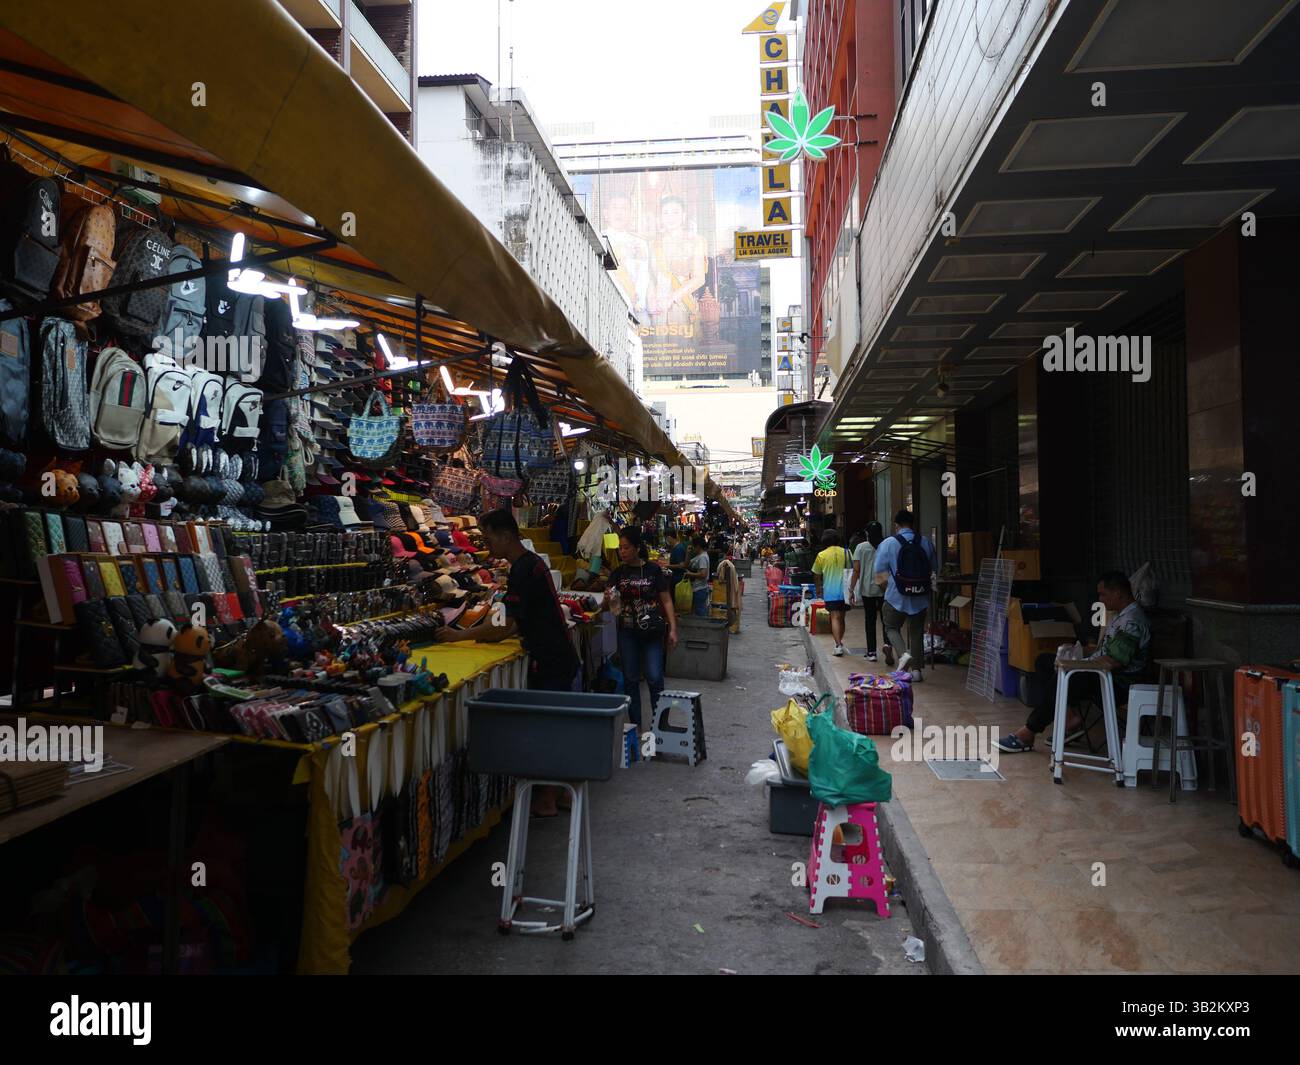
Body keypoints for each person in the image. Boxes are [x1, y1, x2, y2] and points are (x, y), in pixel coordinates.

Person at [438, 508, 581, 816]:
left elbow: (505, 625)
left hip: (550, 659)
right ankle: (563, 794)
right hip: (557, 655)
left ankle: (548, 798)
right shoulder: (530, 564)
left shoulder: (523, 570)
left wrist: (458, 636)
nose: (487, 544)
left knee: (548, 728)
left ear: (505, 536)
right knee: (556, 725)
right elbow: (514, 623)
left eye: (489, 538)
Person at [995, 571, 1152, 753]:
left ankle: (1028, 732)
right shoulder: (1119, 616)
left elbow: (1113, 661)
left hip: (1117, 683)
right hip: (1100, 673)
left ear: (1118, 593)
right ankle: (1069, 718)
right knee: (1045, 662)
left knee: (1066, 676)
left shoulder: (1132, 622)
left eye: (1103, 594)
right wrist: (1077, 652)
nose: (1100, 600)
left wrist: (1076, 666)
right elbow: (1103, 651)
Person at [606, 526, 678, 732]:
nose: (622, 552)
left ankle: (660, 726)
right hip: (627, 632)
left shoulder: (653, 570)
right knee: (630, 679)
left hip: (652, 631)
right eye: (620, 548)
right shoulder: (618, 573)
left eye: (626, 547)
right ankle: (636, 726)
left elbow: (666, 600)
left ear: (637, 548)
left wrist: (673, 628)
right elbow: (609, 606)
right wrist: (609, 599)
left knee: (655, 677)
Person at [872, 510, 937, 679]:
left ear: (896, 525)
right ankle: (916, 671)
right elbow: (933, 568)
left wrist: (887, 589)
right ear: (913, 524)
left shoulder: (888, 543)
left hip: (896, 595)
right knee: (916, 631)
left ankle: (903, 655)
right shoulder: (925, 542)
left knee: (891, 627)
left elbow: (879, 574)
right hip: (921, 595)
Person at [812, 528, 853, 656]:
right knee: (842, 618)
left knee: (834, 617)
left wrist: (818, 588)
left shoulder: (821, 555)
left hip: (830, 590)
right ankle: (840, 643)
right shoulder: (847, 552)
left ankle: (838, 645)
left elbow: (816, 574)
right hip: (845, 590)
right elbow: (853, 570)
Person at [849, 521, 885, 661]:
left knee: (870, 620)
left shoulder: (861, 547)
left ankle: (872, 652)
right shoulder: (885, 545)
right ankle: (887, 644)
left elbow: (856, 570)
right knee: (886, 620)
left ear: (867, 533)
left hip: (867, 589)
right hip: (884, 588)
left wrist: (851, 589)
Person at [688, 535, 712, 617]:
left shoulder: (702, 557)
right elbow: (687, 564)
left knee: (700, 612)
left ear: (698, 546)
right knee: (699, 610)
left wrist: (689, 574)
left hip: (700, 589)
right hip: (699, 588)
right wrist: (688, 553)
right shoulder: (700, 556)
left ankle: (704, 624)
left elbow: (703, 574)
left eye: (693, 546)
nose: (693, 548)